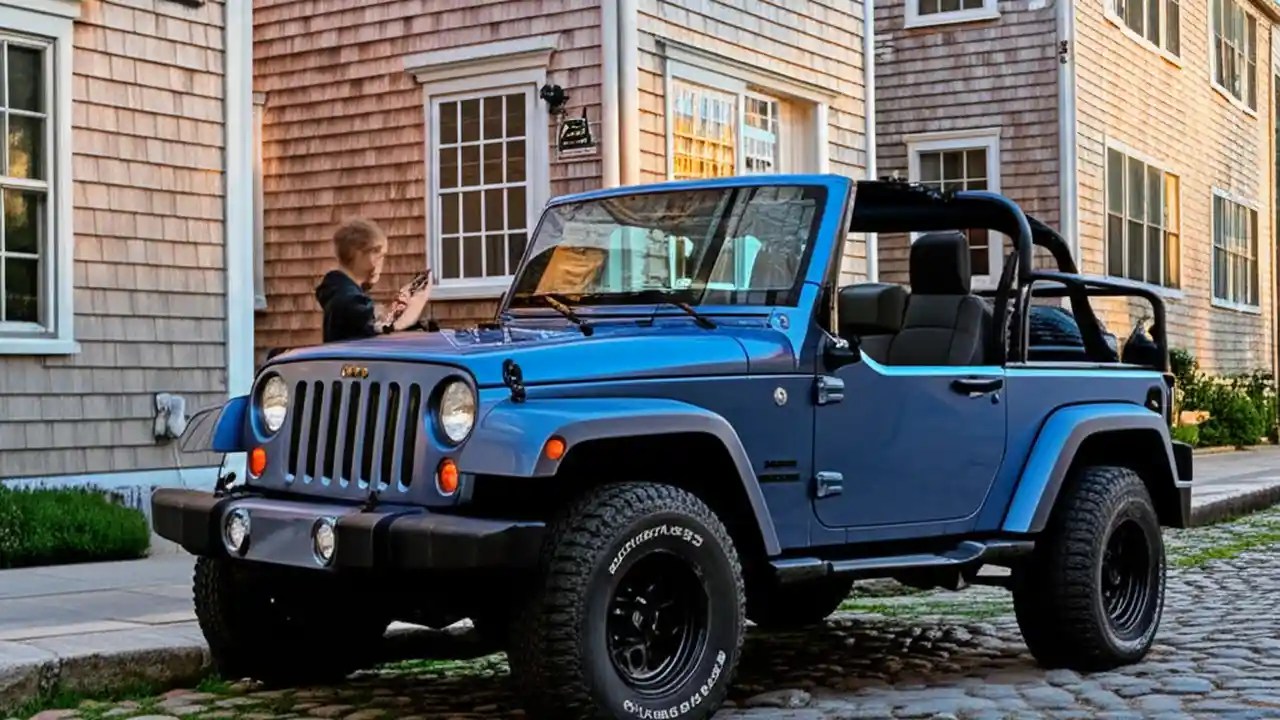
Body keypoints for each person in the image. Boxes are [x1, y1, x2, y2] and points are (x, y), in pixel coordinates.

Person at [315, 218, 428, 343]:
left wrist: (396, 308)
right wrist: (415, 304)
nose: (381, 262)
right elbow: (386, 329)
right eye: (378, 254)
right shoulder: (348, 299)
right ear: (356, 253)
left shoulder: (340, 292)